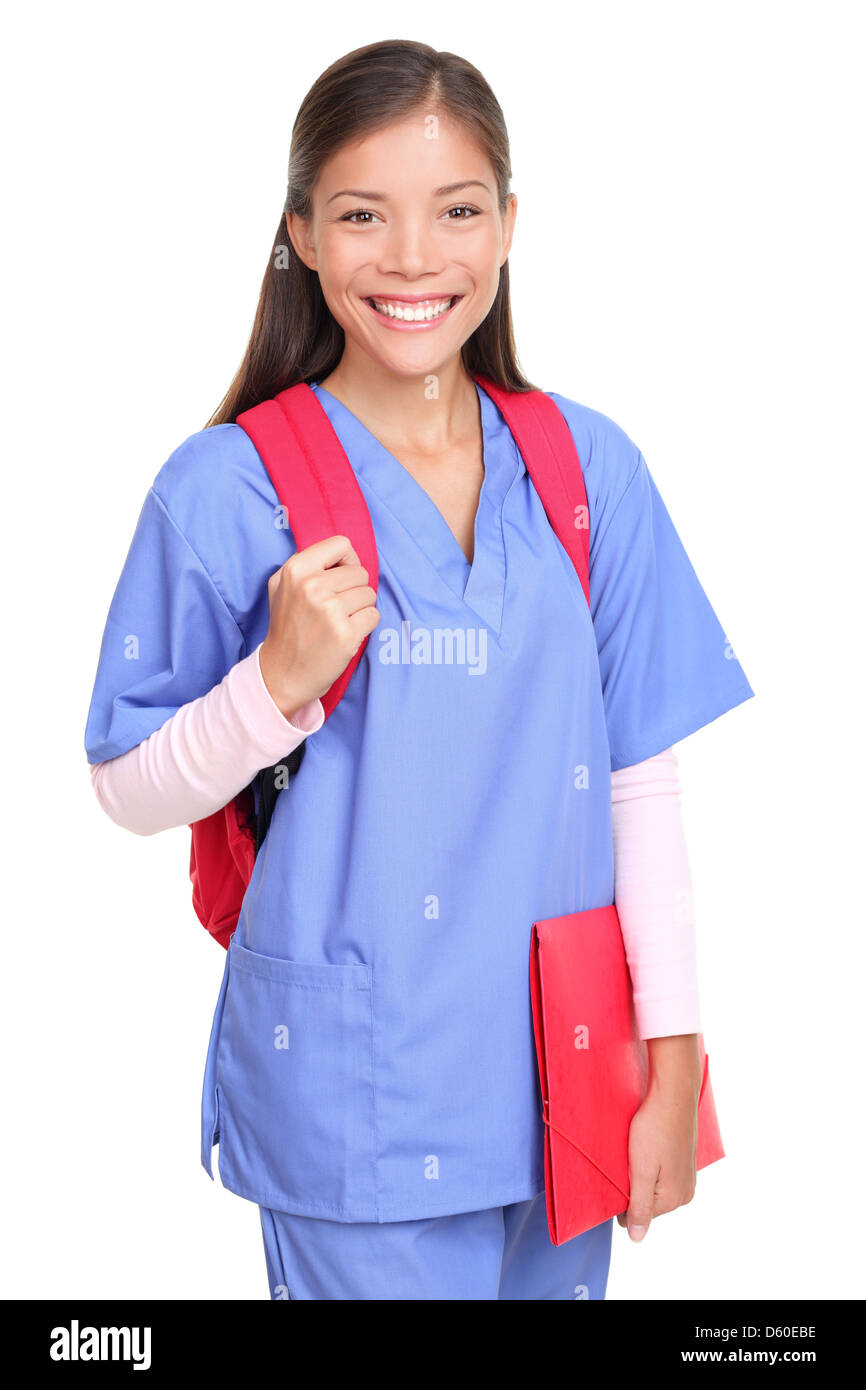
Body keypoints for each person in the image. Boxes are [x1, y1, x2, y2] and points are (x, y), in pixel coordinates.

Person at [83, 38, 754, 1301]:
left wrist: (672, 1065)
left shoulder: (583, 472)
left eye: (453, 212)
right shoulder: (226, 486)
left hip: (562, 1081)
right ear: (301, 234)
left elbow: (638, 784)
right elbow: (126, 783)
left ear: (506, 228)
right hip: (357, 1100)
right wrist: (269, 685)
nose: (409, 260)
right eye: (359, 216)